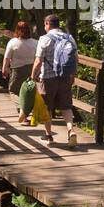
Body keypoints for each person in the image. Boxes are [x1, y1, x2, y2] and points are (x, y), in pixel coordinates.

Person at [32, 13, 78, 147]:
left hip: (48, 77)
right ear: (59, 25)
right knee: (66, 106)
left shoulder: (44, 39)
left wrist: (32, 76)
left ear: (47, 24)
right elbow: (75, 59)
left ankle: (49, 136)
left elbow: (38, 61)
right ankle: (71, 131)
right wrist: (72, 75)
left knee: (48, 107)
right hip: (65, 76)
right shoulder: (69, 38)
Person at [2, 20, 38, 120]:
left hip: (17, 71)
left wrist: (4, 69)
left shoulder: (13, 42)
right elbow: (38, 58)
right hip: (31, 70)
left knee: (14, 91)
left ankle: (21, 109)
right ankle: (24, 115)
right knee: (28, 92)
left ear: (17, 30)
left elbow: (7, 58)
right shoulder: (35, 43)